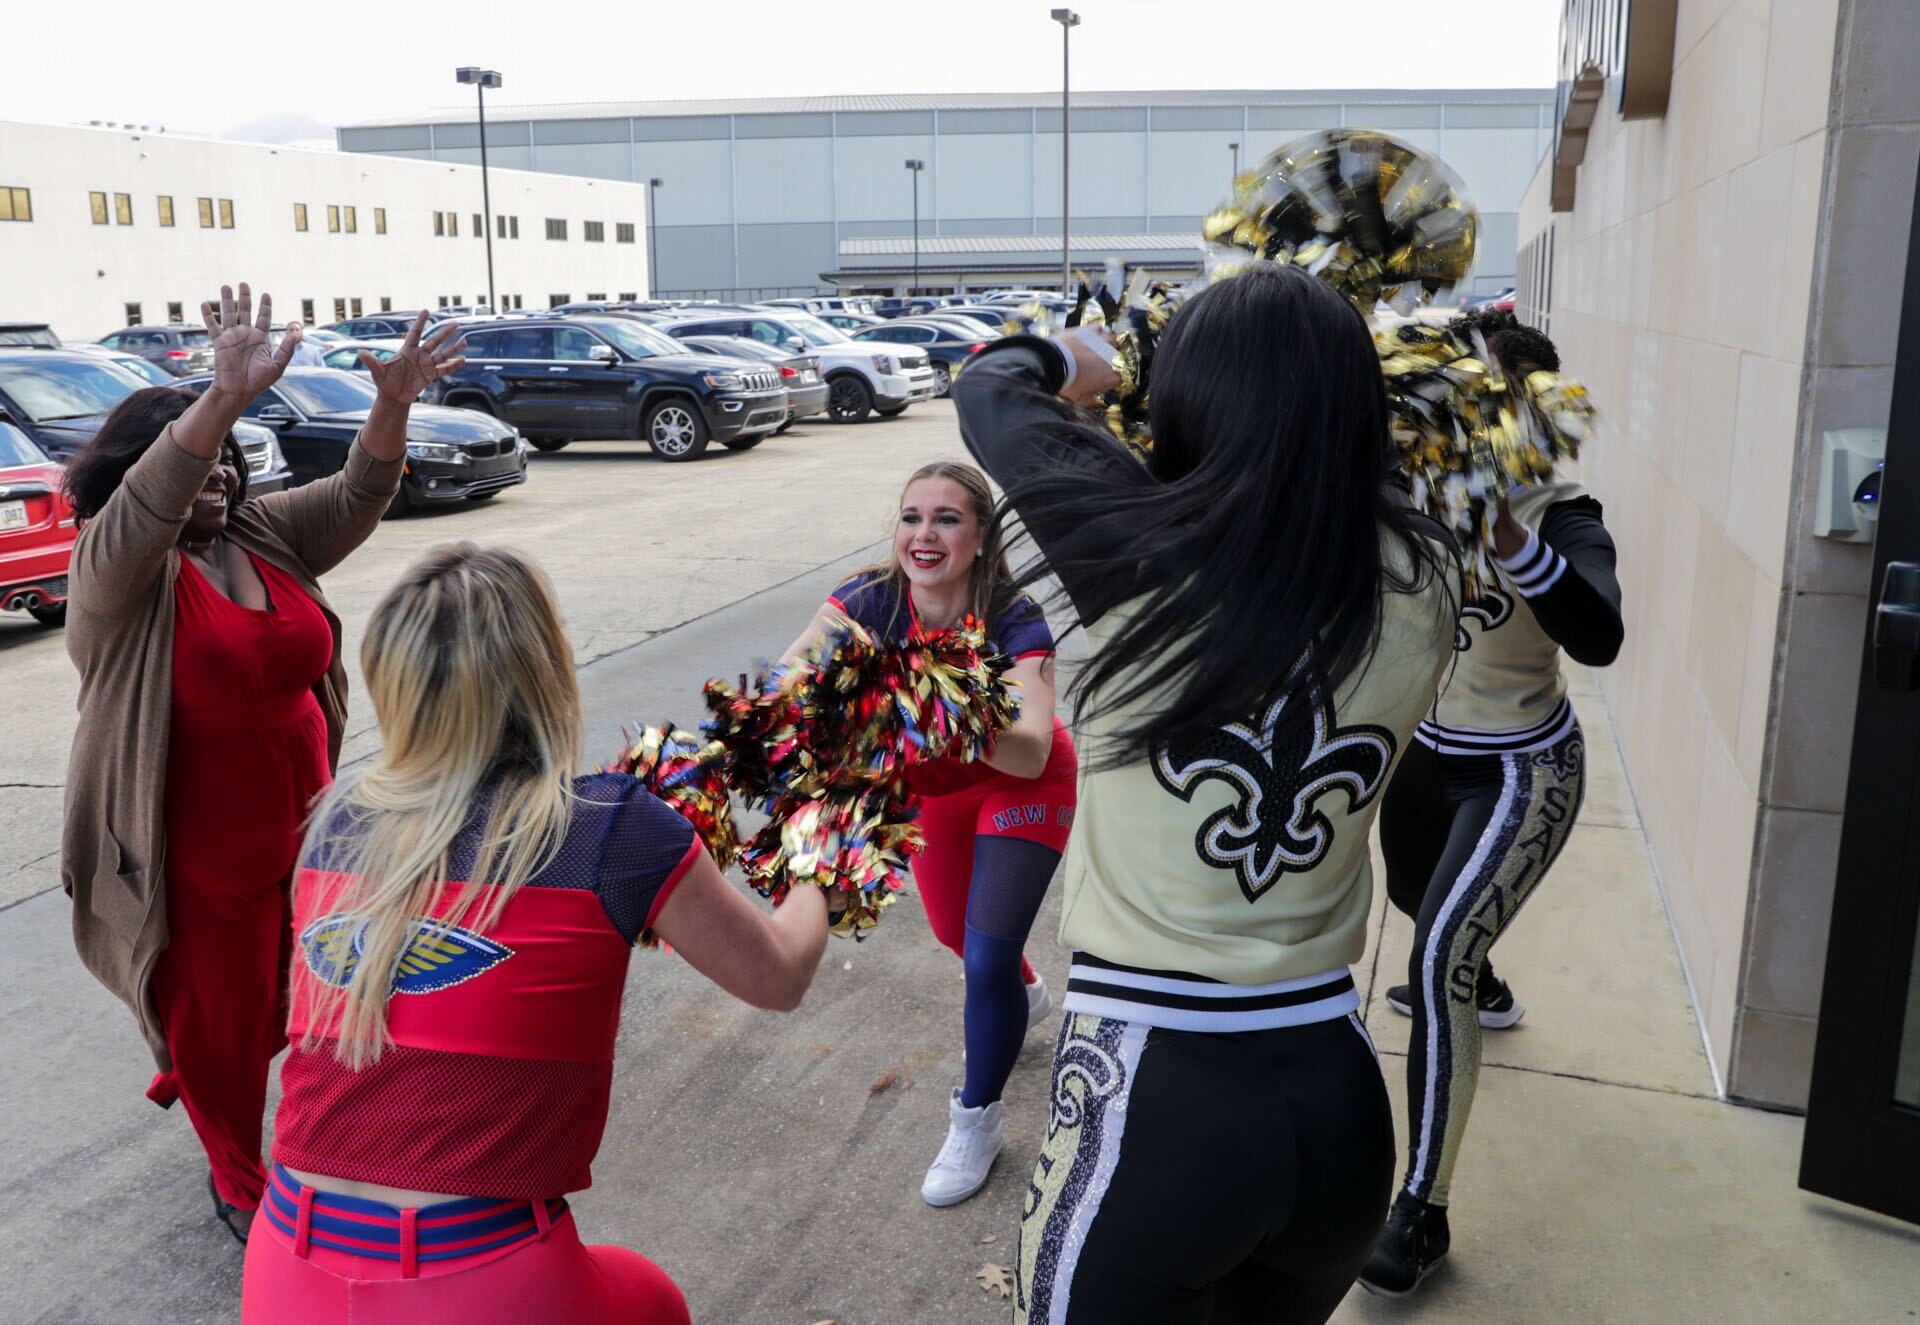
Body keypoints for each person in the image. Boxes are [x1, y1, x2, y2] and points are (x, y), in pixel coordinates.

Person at [952, 262, 1462, 1324]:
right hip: (1339, 1100)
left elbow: (991, 388)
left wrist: (1081, 359)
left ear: (1190, 401)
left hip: (1155, 1098)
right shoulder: (1426, 571)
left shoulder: (1138, 553)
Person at [243, 544, 831, 1322]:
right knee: (656, 1302)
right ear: (541, 668)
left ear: (392, 680)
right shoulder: (614, 829)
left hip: (285, 1260)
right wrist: (821, 858)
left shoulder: (338, 820)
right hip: (482, 1269)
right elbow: (780, 975)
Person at [59, 286, 465, 1242]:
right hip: (190, 846)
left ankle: (318, 1132)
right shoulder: (115, 572)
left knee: (330, 986)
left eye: (232, 465)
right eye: (205, 462)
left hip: (311, 817)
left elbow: (364, 492)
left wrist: (394, 402)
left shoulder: (261, 535)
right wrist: (218, 398)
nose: (222, 479)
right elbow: (155, 497)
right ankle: (240, 1176)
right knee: (223, 1018)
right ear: (141, 473)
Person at [1360, 308, 1624, 1298]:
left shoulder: (1559, 503)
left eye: (1485, 396)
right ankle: (1491, 979)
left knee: (1436, 961)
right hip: (1428, 751)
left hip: (1523, 765)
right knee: (1413, 903)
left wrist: (1504, 527)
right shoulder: (1407, 476)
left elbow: (1598, 635)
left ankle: (1419, 1212)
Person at [782, 460, 1077, 1207]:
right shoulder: (868, 599)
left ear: (980, 536)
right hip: (935, 793)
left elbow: (1032, 744)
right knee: (957, 932)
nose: (924, 533)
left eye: (947, 518)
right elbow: (786, 681)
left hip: (1022, 785)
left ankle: (977, 1120)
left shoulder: (1013, 615)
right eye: (912, 516)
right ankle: (1027, 994)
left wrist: (924, 700)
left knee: (986, 956)